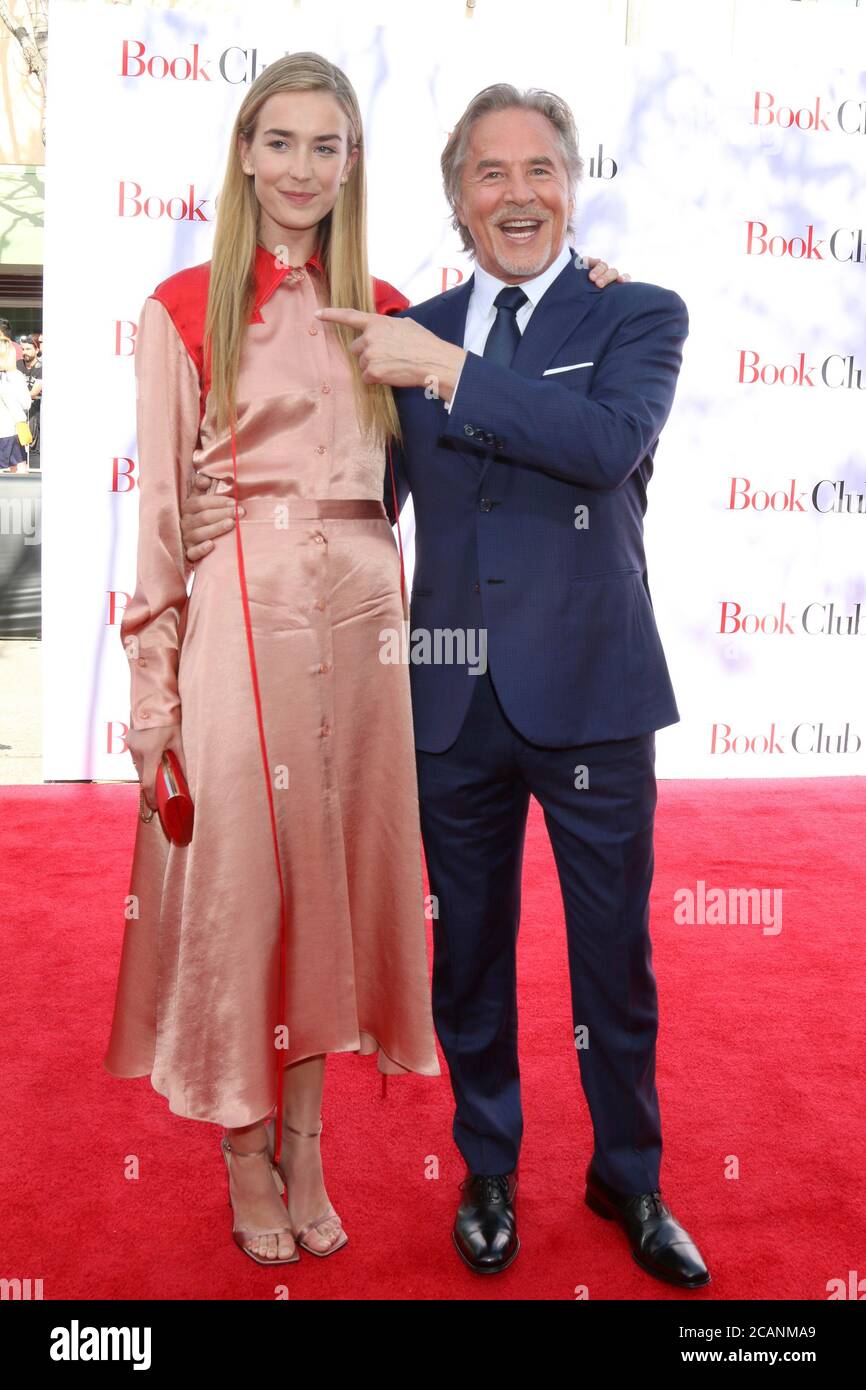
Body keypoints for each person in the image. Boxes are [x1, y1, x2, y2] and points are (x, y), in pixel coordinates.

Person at [181, 82, 710, 1289]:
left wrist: (452, 374)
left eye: (538, 171)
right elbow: (354, 498)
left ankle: (628, 1173)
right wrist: (223, 512)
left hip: (595, 695)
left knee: (611, 960)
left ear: (572, 186)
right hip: (445, 695)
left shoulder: (636, 314)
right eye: (488, 172)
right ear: (455, 196)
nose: (515, 194)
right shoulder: (405, 330)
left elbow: (601, 445)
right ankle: (485, 1169)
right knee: (465, 954)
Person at [103, 52, 442, 1267]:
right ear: (247, 154)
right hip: (240, 622)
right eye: (283, 142)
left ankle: (306, 1140)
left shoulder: (394, 306)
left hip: (362, 629)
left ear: (353, 164)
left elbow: (459, 447)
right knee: (247, 891)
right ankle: (243, 1150)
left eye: (328, 146)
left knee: (336, 892)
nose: (304, 167)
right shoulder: (180, 304)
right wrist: (152, 699)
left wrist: (586, 285)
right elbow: (156, 518)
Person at [0, 326, 32, 473]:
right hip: (10, 432)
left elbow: (26, 403)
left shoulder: (14, 376)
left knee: (18, 471)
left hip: (12, 432)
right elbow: (26, 403)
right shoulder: (14, 375)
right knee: (19, 471)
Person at [17, 336, 41, 466]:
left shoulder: (42, 367)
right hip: (17, 411)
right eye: (23, 349)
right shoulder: (17, 365)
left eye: (28, 349)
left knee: (32, 444)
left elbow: (35, 392)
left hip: (33, 411)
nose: (24, 352)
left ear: (37, 350)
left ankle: (33, 470)